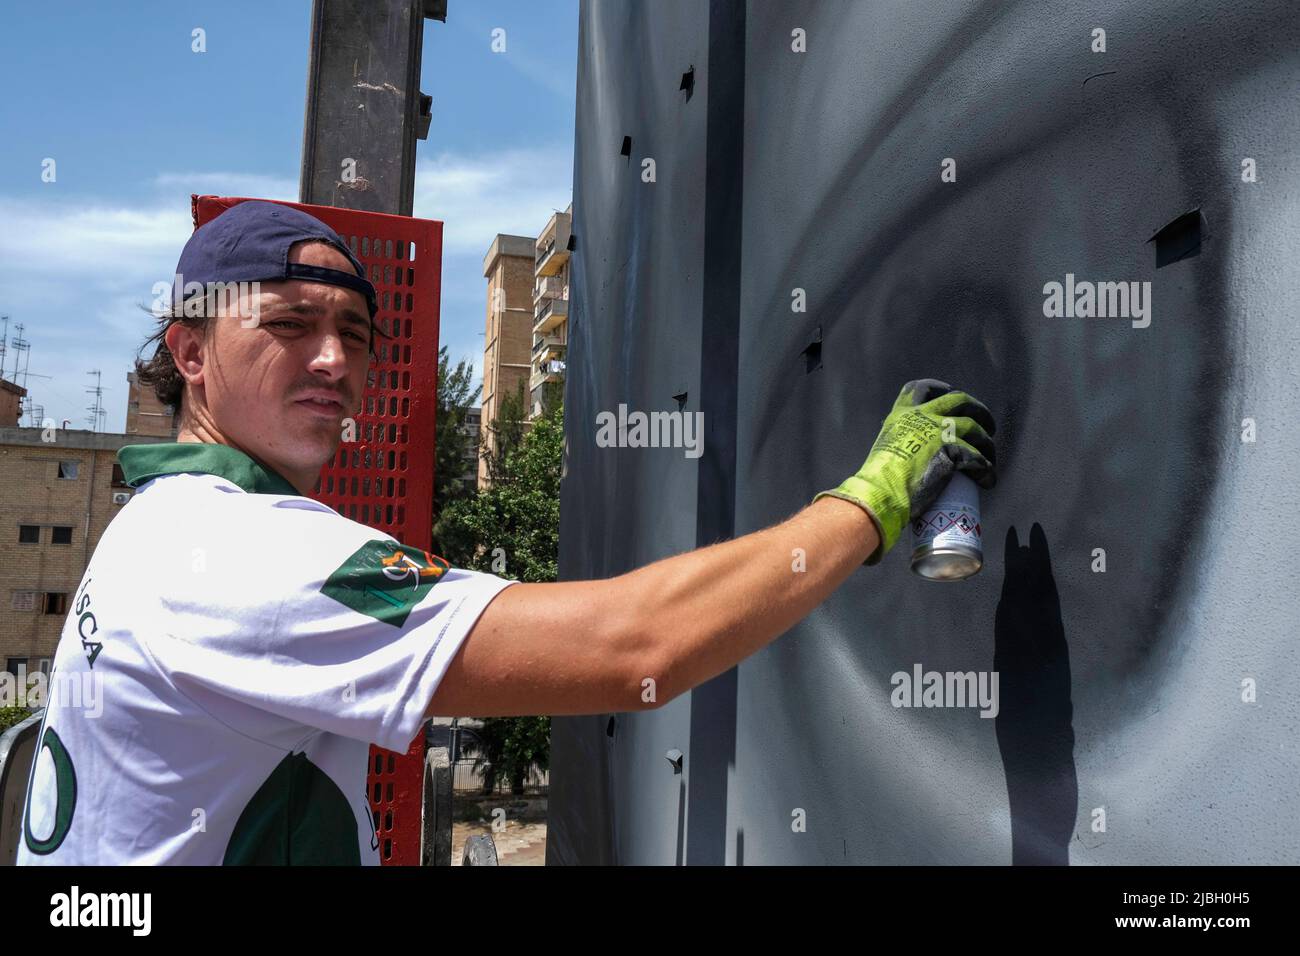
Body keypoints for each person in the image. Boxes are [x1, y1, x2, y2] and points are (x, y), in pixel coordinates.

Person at [18, 201, 996, 865]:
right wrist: (871, 500)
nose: (332, 358)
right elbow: (632, 646)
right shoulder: (238, 554)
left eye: (356, 333)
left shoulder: (156, 524)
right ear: (189, 348)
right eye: (286, 322)